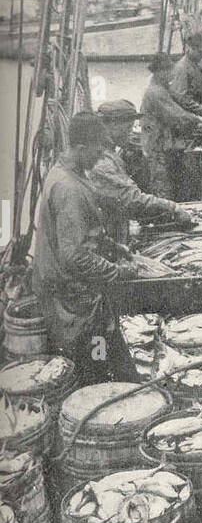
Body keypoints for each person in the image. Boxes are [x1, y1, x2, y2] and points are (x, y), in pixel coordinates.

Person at [32, 112, 139, 382]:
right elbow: (75, 257)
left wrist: (112, 246)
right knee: (96, 359)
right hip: (75, 302)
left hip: (77, 293)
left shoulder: (66, 171)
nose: (101, 156)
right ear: (81, 147)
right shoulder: (69, 190)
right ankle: (97, 390)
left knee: (106, 352)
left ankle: (105, 379)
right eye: (97, 149)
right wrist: (118, 271)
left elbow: (82, 231)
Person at [88, 99, 196, 243]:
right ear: (112, 125)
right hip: (103, 240)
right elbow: (131, 200)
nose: (130, 132)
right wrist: (172, 208)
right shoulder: (100, 161)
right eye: (127, 128)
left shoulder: (107, 152)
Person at [140, 53, 202, 201]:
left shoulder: (161, 88)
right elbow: (175, 115)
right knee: (162, 189)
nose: (170, 75)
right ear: (159, 72)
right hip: (156, 147)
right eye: (167, 71)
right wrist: (199, 119)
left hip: (161, 143)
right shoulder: (156, 92)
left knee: (169, 184)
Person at [169, 30, 202, 114]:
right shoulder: (182, 68)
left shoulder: (200, 64)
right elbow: (182, 99)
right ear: (191, 48)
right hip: (188, 114)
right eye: (201, 52)